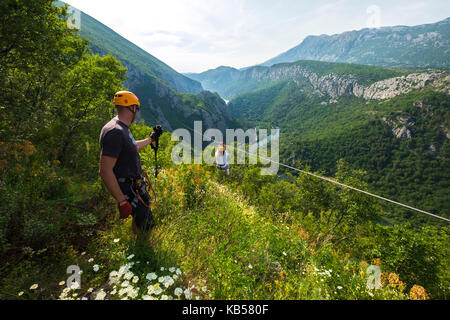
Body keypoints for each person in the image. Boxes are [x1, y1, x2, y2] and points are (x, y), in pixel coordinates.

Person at [98, 91, 162, 240]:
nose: (138, 114)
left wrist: (150, 139)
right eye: (137, 109)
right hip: (127, 187)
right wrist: (121, 201)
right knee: (147, 224)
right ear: (132, 108)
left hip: (134, 185)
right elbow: (105, 170)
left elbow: (132, 146)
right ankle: (143, 253)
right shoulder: (115, 132)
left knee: (140, 218)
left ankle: (136, 244)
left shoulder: (120, 128)